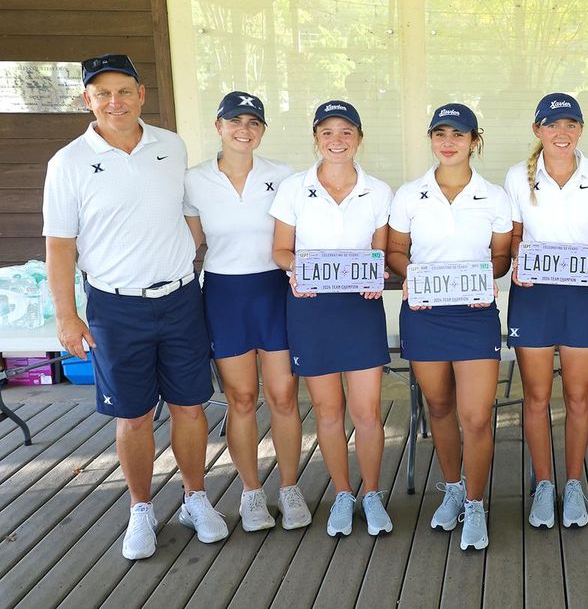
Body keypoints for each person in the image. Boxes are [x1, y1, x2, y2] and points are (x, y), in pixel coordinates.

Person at [43, 54, 228, 560]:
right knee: (134, 415)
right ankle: (141, 509)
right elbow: (60, 246)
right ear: (87, 100)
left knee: (191, 405)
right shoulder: (68, 163)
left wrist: (196, 253)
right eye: (101, 93)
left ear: (141, 94)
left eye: (123, 91)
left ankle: (195, 498)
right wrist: (66, 315)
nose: (114, 101)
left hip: (180, 298)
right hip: (114, 306)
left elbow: (185, 211)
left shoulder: (170, 145)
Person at [386, 103, 512, 551]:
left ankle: (476, 504)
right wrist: (412, 273)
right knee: (439, 407)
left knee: (476, 417)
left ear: (474, 140)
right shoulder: (408, 194)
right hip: (424, 314)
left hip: (474, 313)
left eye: (458, 134)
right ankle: (454, 487)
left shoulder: (495, 196)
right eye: (440, 133)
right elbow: (395, 250)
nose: (449, 141)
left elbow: (502, 257)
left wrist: (487, 274)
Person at [183, 91, 311, 532]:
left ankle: (290, 489)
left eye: (253, 122)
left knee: (283, 396)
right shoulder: (193, 180)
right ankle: (252, 493)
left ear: (262, 131)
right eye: (235, 121)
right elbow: (191, 245)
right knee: (240, 399)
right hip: (224, 295)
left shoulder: (284, 176)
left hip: (274, 291)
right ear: (218, 126)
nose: (244, 129)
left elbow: (298, 237)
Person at [269, 100, 393, 538]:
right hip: (310, 308)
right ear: (316, 138)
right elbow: (281, 249)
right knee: (327, 409)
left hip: (359, 308)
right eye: (327, 132)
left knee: (367, 411)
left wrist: (377, 273)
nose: (336, 141)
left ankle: (372, 493)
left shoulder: (379, 191)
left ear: (359, 137)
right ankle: (343, 493)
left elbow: (380, 251)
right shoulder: (293, 187)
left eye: (345, 132)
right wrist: (294, 270)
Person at [504, 93, 588, 529]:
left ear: (581, 130)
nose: (561, 133)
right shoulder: (517, 176)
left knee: (579, 396)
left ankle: (573, 482)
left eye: (570, 125)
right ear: (537, 130)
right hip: (533, 294)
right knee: (536, 395)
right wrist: (517, 263)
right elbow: (513, 236)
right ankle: (544, 484)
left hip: (582, 293)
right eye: (552, 125)